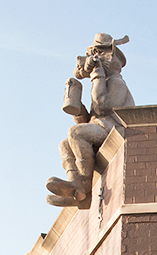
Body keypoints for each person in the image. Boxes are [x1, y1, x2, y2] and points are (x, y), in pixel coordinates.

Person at [46, 33, 134, 207]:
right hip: (101, 127)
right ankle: (76, 189)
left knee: (75, 133)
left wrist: (97, 76)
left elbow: (102, 107)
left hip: (114, 129)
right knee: (65, 144)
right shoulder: (103, 81)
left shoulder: (117, 83)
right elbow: (88, 121)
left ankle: (84, 184)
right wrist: (77, 107)